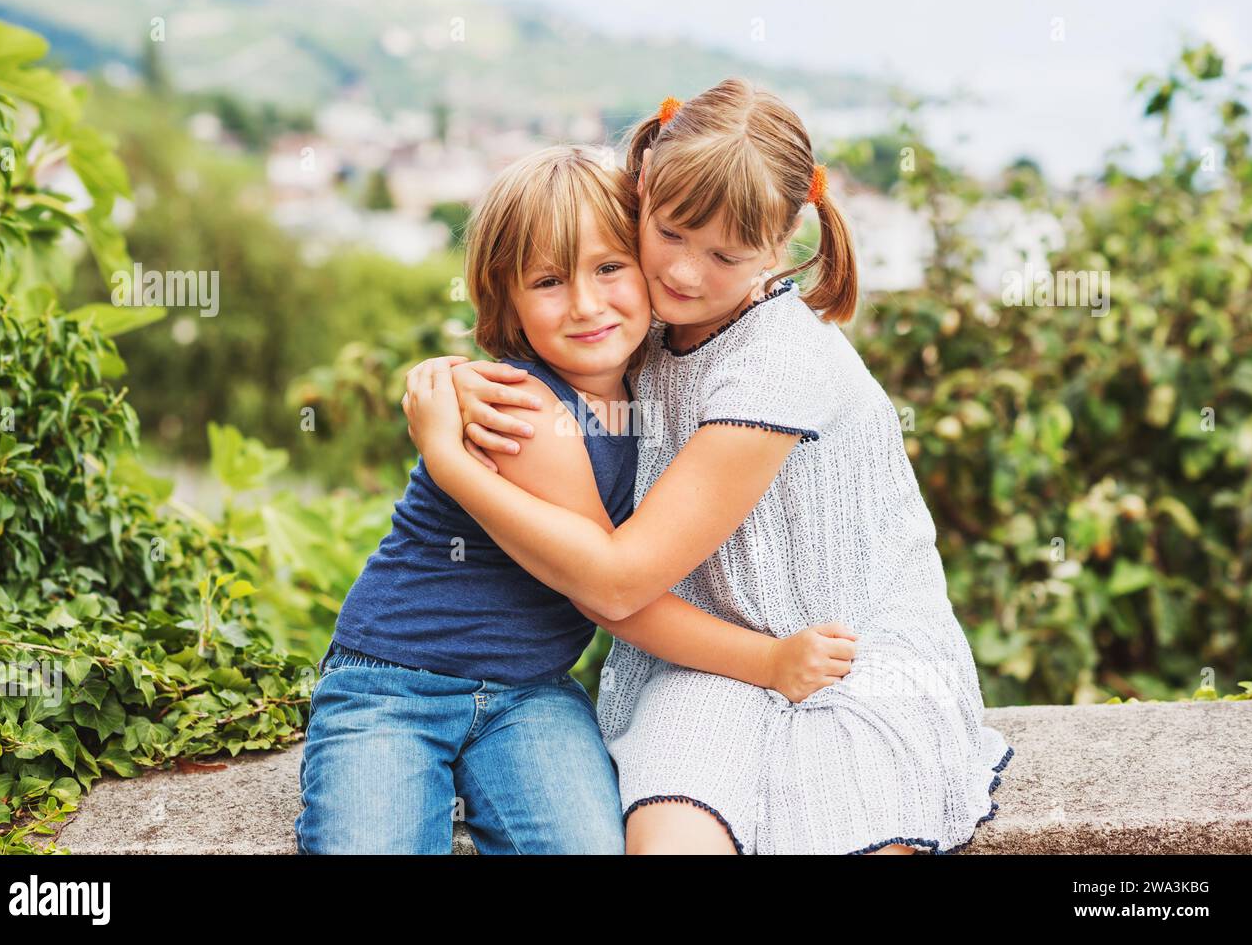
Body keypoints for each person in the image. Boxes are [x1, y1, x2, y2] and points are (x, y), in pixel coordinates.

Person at [402, 80, 1014, 855]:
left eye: (726, 254)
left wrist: (452, 461)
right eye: (671, 233)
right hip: (703, 655)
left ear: (786, 238)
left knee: (857, 820)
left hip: (851, 655)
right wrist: (455, 378)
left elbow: (618, 582)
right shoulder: (644, 310)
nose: (685, 274)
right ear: (645, 185)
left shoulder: (778, 362)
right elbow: (555, 346)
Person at [295, 143, 855, 855]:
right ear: (507, 301)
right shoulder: (520, 409)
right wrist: (769, 661)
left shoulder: (648, 372)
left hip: (531, 692)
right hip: (393, 686)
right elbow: (608, 586)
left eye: (610, 268)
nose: (588, 304)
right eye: (550, 281)